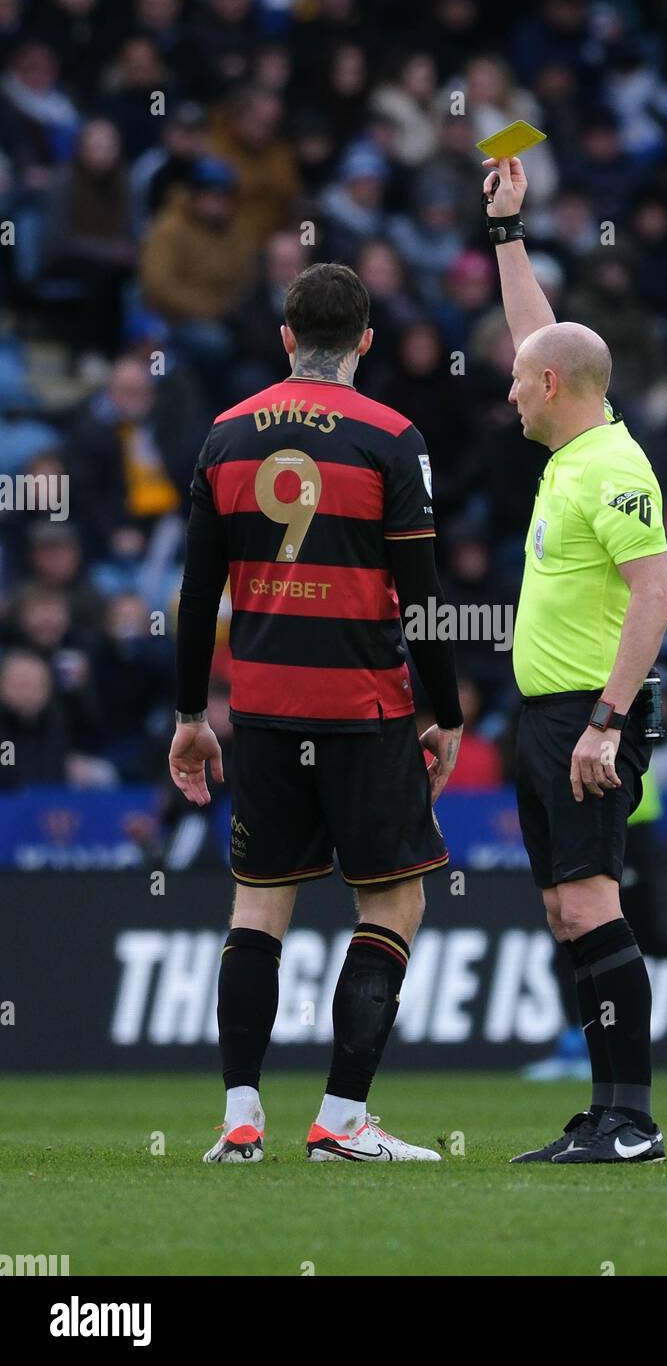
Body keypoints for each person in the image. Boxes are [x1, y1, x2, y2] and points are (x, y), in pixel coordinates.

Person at [168, 262, 464, 1165]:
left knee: (257, 908)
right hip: (365, 708)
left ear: (287, 337)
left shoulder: (223, 438)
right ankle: (341, 1120)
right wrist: (443, 712)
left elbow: (194, 595)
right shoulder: (391, 436)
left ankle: (240, 1116)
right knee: (394, 897)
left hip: (261, 708)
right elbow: (422, 597)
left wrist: (190, 715)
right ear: (366, 342)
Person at [483, 156, 667, 1165]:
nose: (508, 386)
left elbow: (657, 595)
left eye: (520, 378)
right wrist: (508, 234)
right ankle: (603, 1112)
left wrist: (607, 719)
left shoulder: (614, 467)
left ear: (552, 388)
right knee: (566, 909)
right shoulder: (573, 450)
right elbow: (538, 335)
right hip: (547, 717)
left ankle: (630, 1118)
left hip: (583, 716)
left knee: (592, 903)